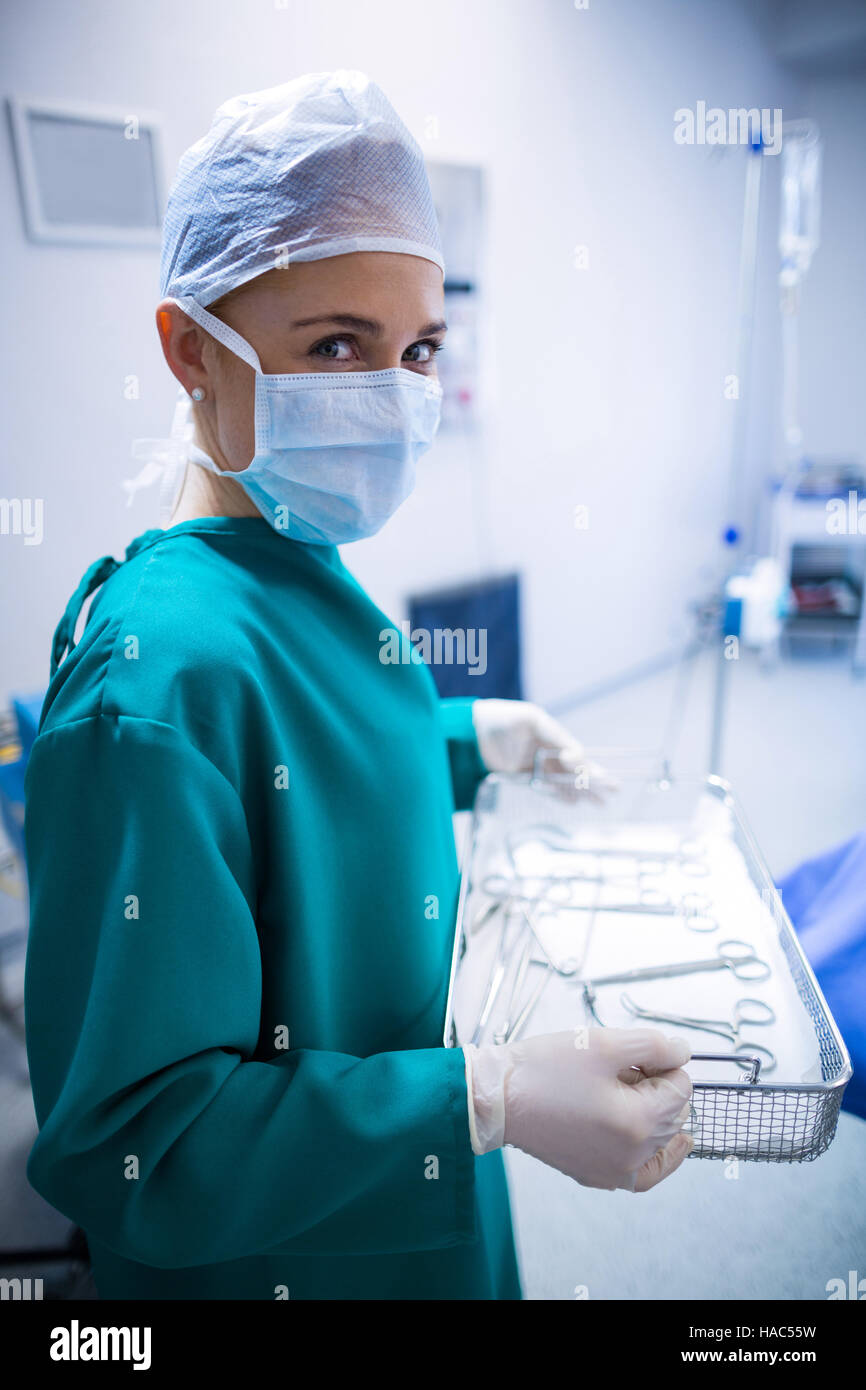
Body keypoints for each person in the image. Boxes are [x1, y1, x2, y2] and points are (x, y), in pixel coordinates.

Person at [23, 70, 693, 1302]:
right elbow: (137, 1146)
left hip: (404, 1210)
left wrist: (464, 738)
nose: (393, 395)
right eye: (335, 344)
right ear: (187, 351)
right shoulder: (154, 683)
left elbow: (298, 763)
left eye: (419, 349)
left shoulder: (285, 558)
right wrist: (483, 1097)